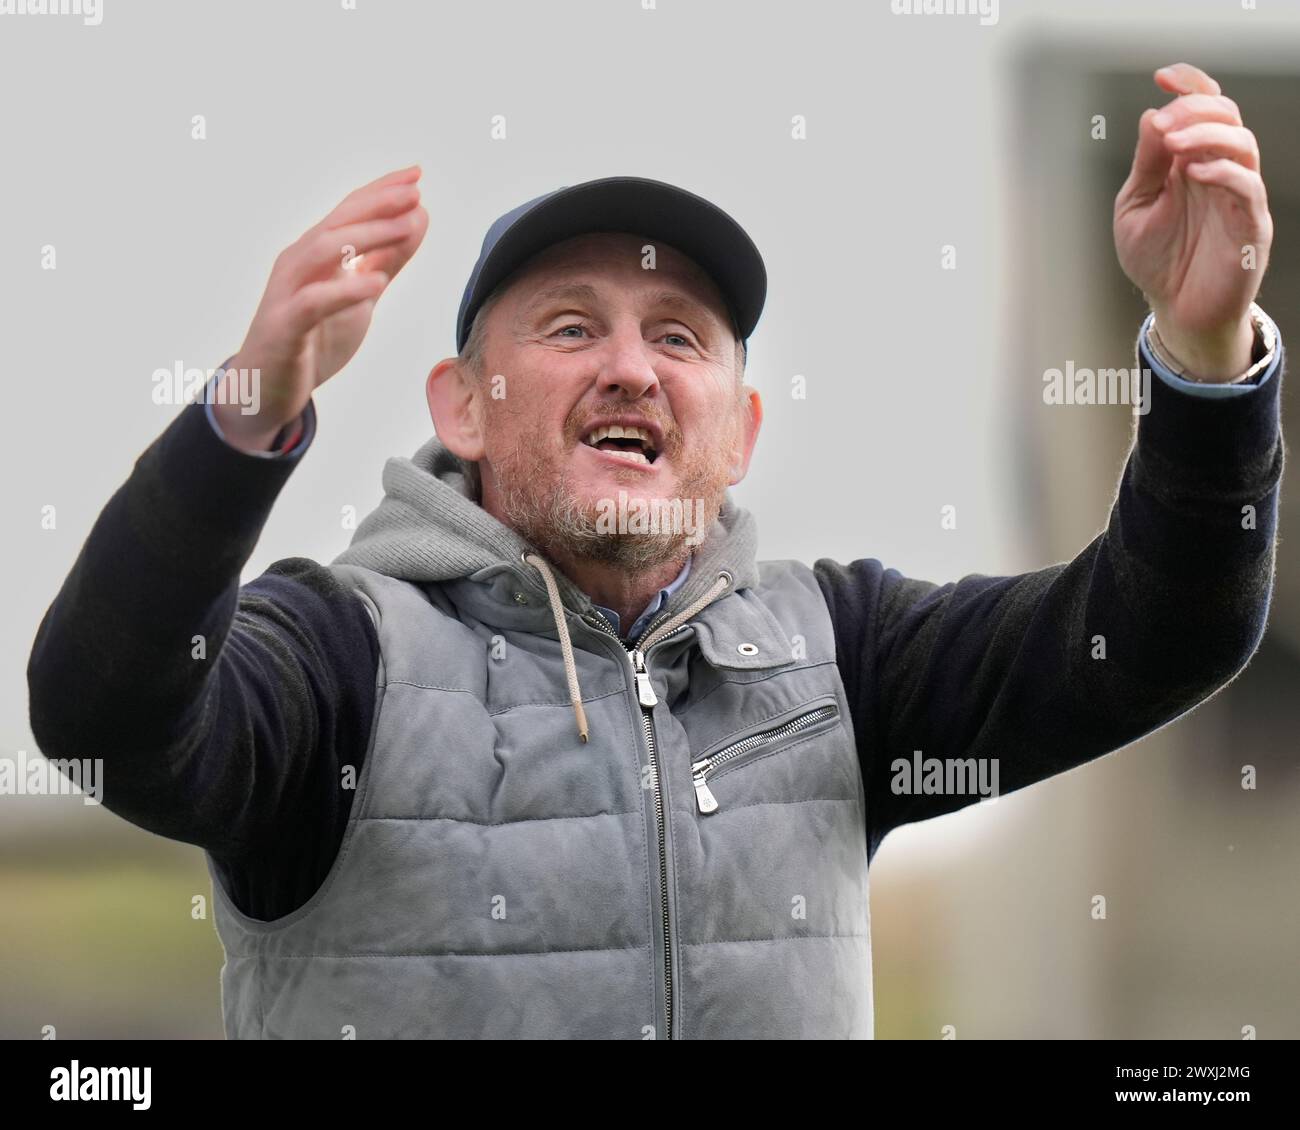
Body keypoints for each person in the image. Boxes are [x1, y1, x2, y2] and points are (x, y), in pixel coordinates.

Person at [27, 62, 1285, 1039]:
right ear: (460, 407)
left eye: (679, 337)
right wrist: (243, 416)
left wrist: (1204, 355)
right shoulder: (338, 655)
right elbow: (103, 713)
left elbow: (1161, 632)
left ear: (736, 432)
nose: (629, 364)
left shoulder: (844, 655)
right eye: (571, 326)